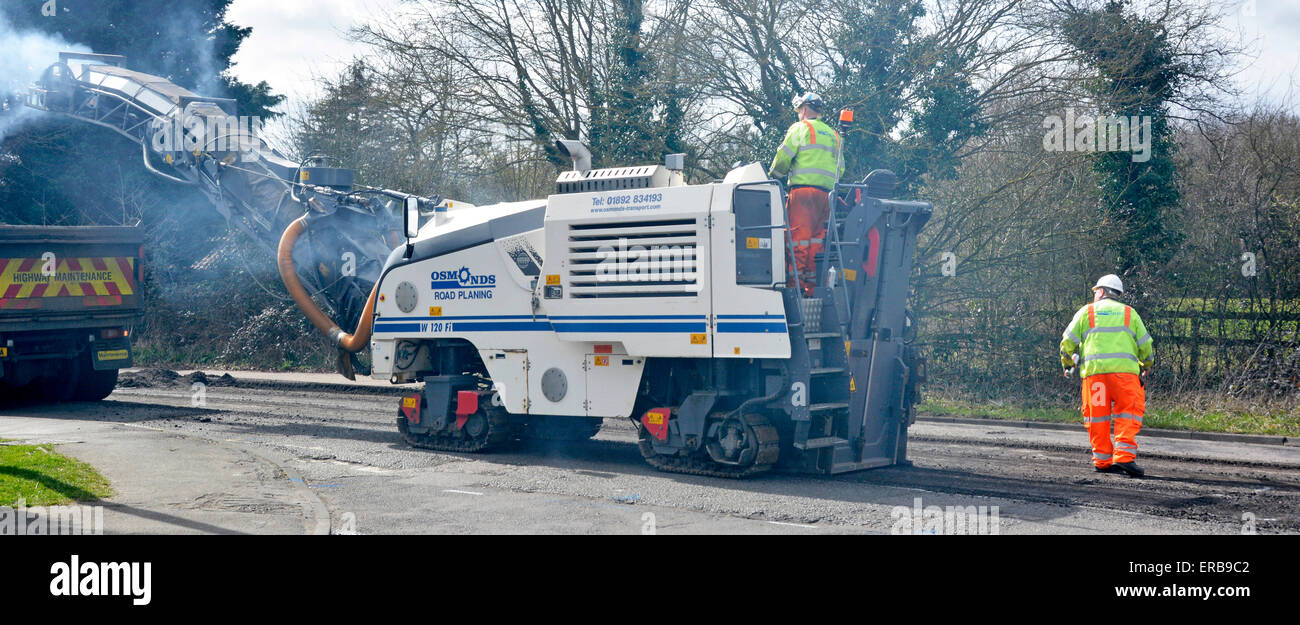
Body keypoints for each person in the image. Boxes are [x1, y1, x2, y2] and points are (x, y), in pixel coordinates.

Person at [1060, 274, 1154, 477]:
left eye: (1095, 292)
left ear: (1101, 291)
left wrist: (1068, 364)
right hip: (1125, 376)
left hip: (1096, 377)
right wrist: (1146, 364)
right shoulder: (1130, 313)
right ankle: (1124, 458)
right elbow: (1145, 344)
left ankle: (1102, 461)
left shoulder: (1086, 312)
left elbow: (1067, 342)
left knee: (1097, 417)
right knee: (1128, 413)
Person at [768, 92, 845, 296]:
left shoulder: (800, 128)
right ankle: (811, 289)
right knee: (816, 243)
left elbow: (783, 158)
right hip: (827, 197)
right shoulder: (835, 135)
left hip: (803, 195)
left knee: (797, 241)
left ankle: (794, 288)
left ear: (803, 110)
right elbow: (841, 169)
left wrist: (773, 177)